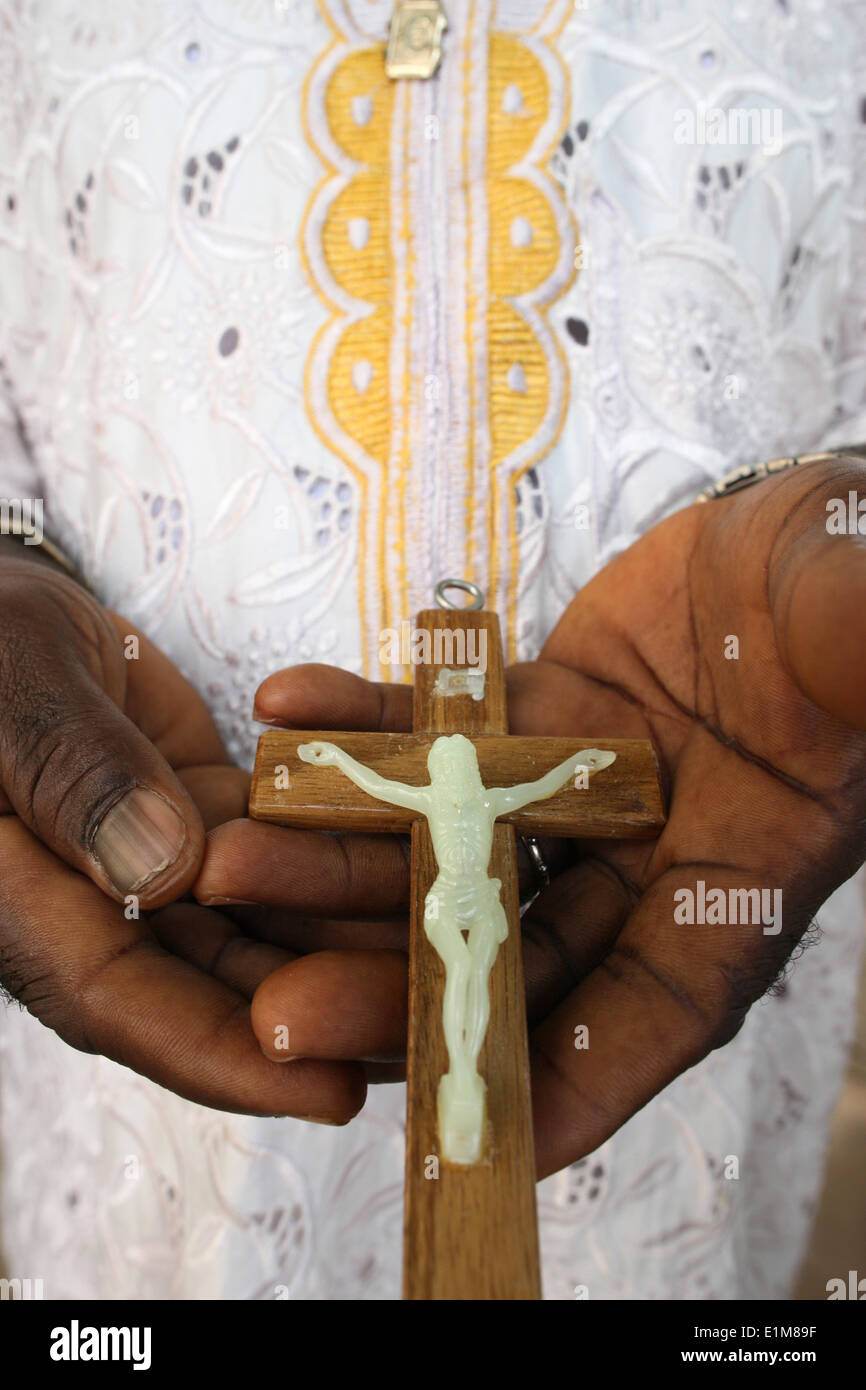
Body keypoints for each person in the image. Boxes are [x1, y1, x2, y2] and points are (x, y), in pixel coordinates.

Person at [0, 0, 864, 1300]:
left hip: (690, 875)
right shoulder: (457, 784)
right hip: (172, 937)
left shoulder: (486, 781)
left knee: (471, 1043)